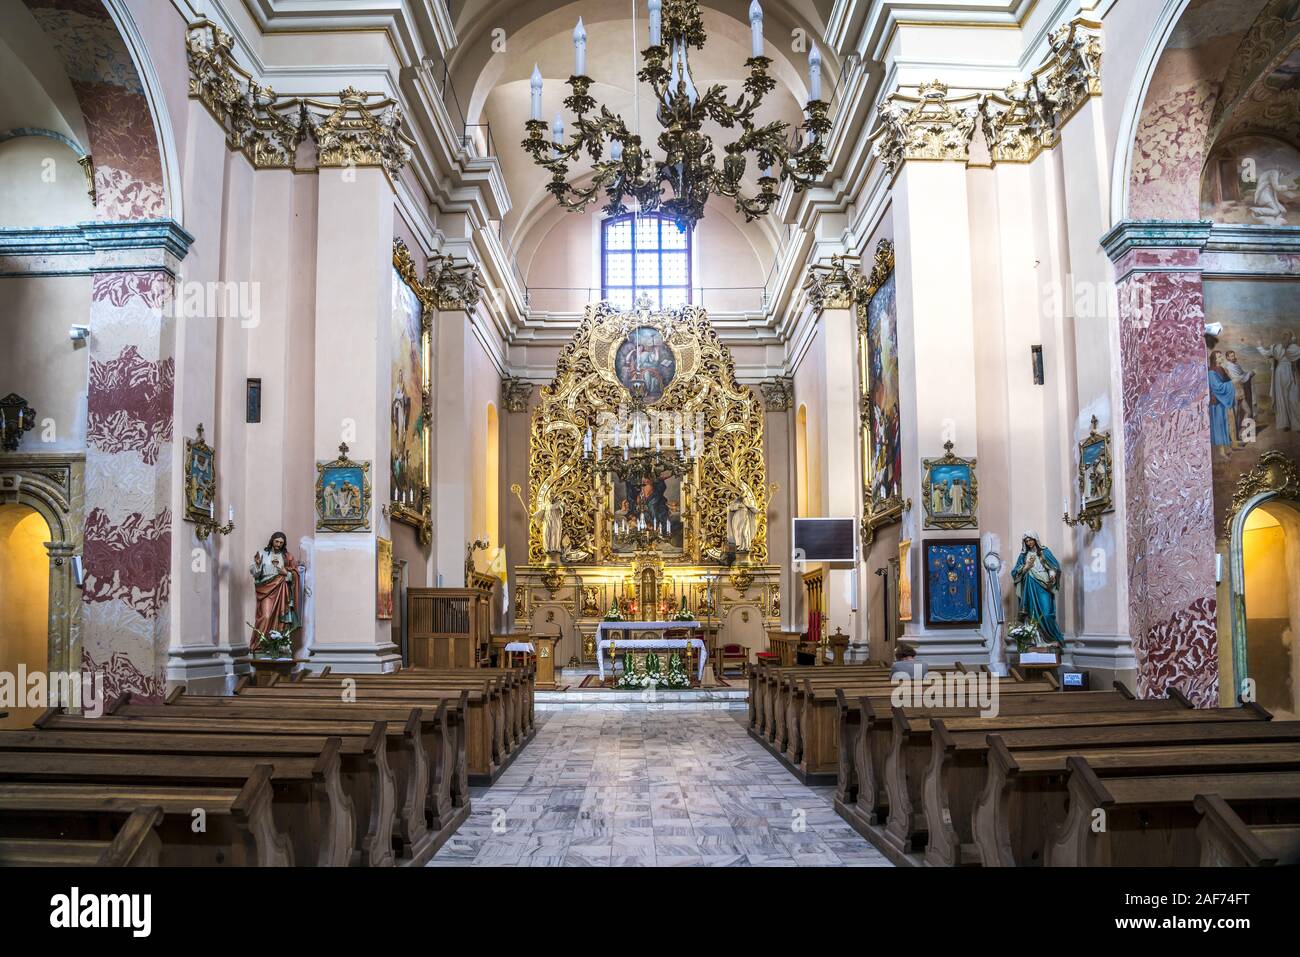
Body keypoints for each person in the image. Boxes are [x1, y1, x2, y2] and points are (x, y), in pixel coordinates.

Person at [249, 531, 301, 651]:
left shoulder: (287, 557)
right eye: (276, 541)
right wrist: (257, 565)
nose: (278, 544)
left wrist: (286, 573)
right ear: (272, 540)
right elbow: (255, 574)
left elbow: (295, 575)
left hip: (281, 590)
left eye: (281, 543)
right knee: (266, 616)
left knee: (280, 618)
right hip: (266, 590)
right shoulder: (262, 554)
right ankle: (260, 645)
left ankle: (277, 646)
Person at [1010, 531, 1064, 645]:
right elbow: (1015, 572)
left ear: (1035, 539)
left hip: (1044, 584)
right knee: (1031, 613)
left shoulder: (1044, 551)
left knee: (1046, 613)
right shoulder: (1023, 555)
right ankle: (1035, 639)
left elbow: (1053, 566)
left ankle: (1051, 638)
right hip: (1030, 585)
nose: (1029, 543)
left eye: (1031, 540)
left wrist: (1052, 574)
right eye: (1027, 541)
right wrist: (1026, 567)